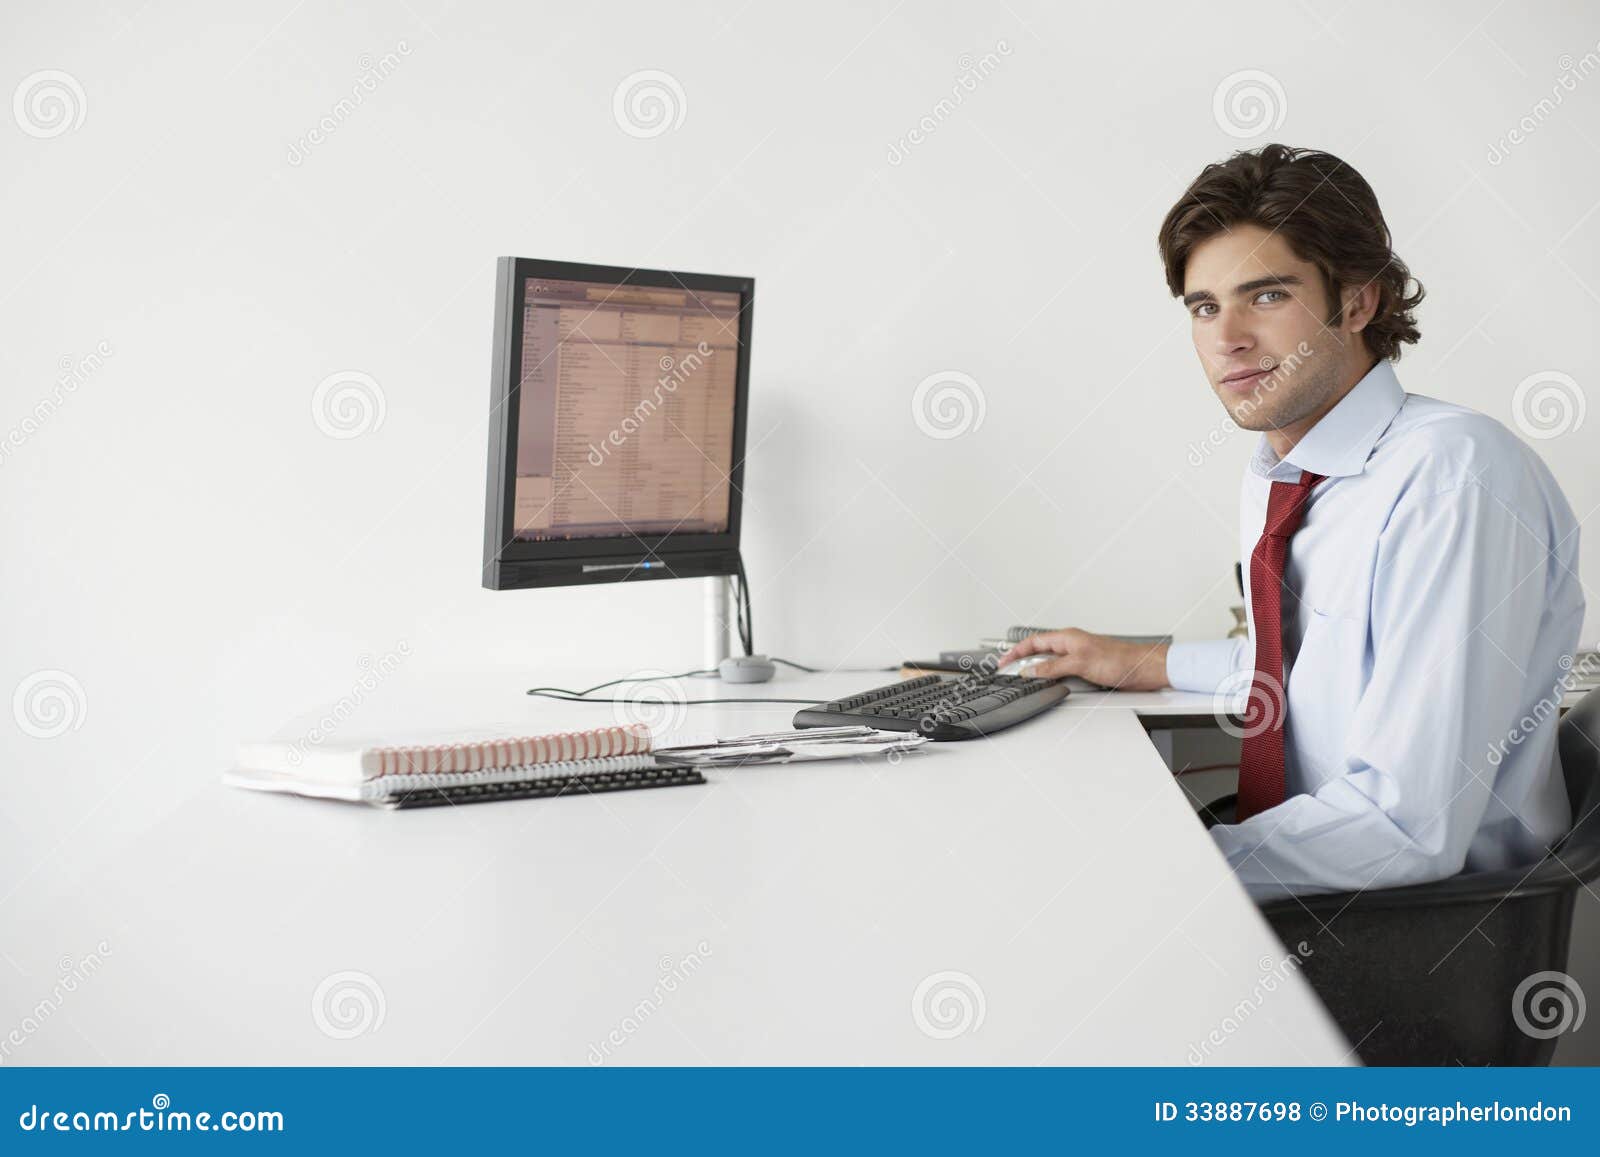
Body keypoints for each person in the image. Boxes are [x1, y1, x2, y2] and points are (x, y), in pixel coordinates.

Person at [999, 144, 1583, 900]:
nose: (1226, 337)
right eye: (1204, 306)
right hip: (1332, 889)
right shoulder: (1285, 475)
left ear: (1358, 301)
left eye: (1266, 296)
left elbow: (1406, 824)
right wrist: (1135, 661)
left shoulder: (1452, 478)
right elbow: (1311, 676)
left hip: (1419, 930)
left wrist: (1158, 876)